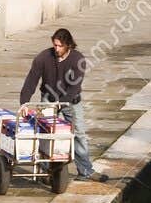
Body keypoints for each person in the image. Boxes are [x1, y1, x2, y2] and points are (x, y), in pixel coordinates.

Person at [19, 28, 105, 183]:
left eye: (60, 46)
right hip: (49, 98)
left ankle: (85, 171)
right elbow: (31, 80)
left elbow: (75, 87)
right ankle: (45, 170)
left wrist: (60, 104)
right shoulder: (43, 57)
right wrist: (24, 102)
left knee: (78, 134)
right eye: (55, 45)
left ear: (68, 45)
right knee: (46, 133)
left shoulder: (78, 59)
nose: (57, 49)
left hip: (71, 101)